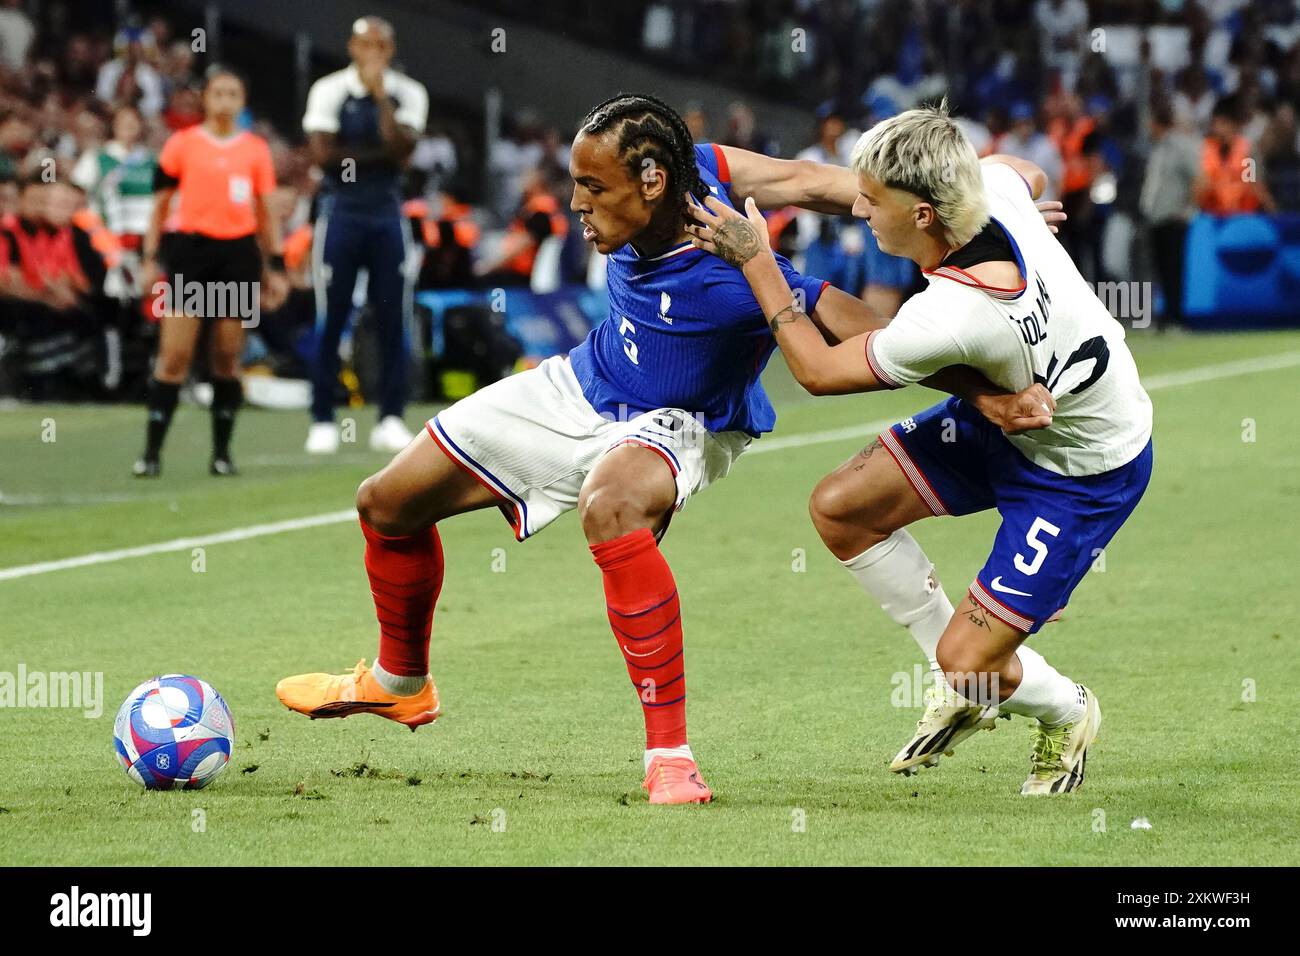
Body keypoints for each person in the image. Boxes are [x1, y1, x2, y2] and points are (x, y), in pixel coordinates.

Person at [274, 93, 1054, 805]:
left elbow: (851, 322)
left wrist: (979, 386)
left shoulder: (733, 261)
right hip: (585, 379)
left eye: (594, 187)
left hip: (686, 418)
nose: (576, 204)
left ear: (651, 180)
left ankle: (669, 757)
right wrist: (975, 177)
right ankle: (400, 681)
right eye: (575, 182)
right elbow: (810, 179)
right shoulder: (694, 165)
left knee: (611, 507)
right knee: (384, 503)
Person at [687, 102, 1153, 796]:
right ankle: (961, 682)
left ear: (925, 215)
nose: (860, 210)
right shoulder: (989, 188)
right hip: (1011, 419)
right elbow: (1023, 171)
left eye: (873, 202)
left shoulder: (949, 316)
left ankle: (1067, 711)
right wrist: (1029, 211)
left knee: (971, 662)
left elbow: (816, 370)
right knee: (842, 507)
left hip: (1083, 467)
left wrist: (759, 263)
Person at [133, 67, 285, 477]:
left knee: (225, 358)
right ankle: (150, 455)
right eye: (218, 93)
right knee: (173, 357)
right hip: (190, 253)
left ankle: (221, 454)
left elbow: (265, 212)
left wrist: (274, 265)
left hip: (236, 256)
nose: (225, 101)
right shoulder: (181, 145)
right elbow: (161, 204)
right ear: (205, 99)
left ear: (242, 101)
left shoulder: (254, 150)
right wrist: (150, 257)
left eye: (233, 94)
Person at [301, 15, 428, 455]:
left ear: (389, 50)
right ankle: (322, 416)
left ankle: (390, 415)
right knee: (331, 314)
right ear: (352, 48)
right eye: (365, 44)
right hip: (342, 212)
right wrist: (380, 156)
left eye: (380, 45)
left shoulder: (408, 92)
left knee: (393, 314)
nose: (372, 53)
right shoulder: (329, 90)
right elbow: (322, 156)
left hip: (386, 215)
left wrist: (379, 99)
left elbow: (403, 148)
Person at [1139, 102, 1200, 331]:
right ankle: (1165, 316)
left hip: (1174, 216)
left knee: (1174, 269)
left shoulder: (1180, 147)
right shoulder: (1157, 148)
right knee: (1160, 269)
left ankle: (1177, 317)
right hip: (1155, 216)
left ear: (1157, 123)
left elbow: (1197, 179)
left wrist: (1187, 210)